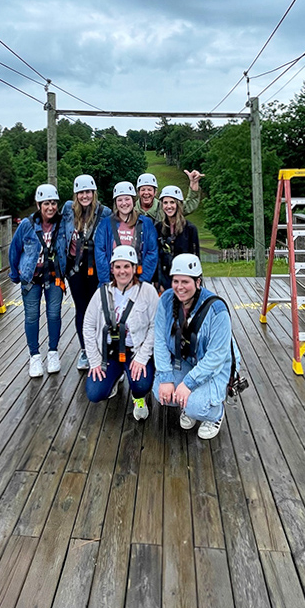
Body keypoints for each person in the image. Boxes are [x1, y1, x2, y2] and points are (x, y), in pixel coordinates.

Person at [152, 253, 240, 439]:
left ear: (198, 282)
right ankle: (189, 403)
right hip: (187, 359)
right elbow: (159, 340)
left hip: (215, 366)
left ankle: (215, 414)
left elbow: (216, 358)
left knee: (194, 405)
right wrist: (167, 378)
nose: (179, 287)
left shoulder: (217, 311)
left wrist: (188, 383)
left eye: (186, 281)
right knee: (161, 390)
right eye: (176, 281)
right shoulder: (167, 300)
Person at [83, 245, 159, 420]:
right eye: (118, 267)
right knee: (95, 392)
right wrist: (94, 361)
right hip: (109, 353)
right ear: (112, 269)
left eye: (127, 266)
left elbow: (155, 326)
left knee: (141, 384)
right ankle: (114, 379)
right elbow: (88, 325)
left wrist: (142, 357)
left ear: (134, 268)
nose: (122, 271)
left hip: (135, 353)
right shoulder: (101, 292)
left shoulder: (147, 292)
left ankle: (138, 398)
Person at [9, 183, 68, 378]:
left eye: (53, 203)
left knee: (54, 314)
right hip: (32, 278)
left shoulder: (62, 223)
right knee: (32, 316)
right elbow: (15, 249)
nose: (50, 207)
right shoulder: (27, 225)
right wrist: (15, 274)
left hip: (54, 277)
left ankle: (53, 351)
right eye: (46, 204)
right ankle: (34, 355)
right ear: (38, 204)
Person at [62, 174, 111, 371]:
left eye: (88, 192)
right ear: (76, 194)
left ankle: (101, 349)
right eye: (81, 192)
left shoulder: (104, 213)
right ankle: (85, 349)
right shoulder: (68, 210)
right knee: (81, 309)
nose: (85, 196)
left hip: (97, 269)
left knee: (100, 310)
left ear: (93, 193)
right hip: (75, 269)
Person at [94, 181, 158, 285]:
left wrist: (143, 281)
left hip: (138, 280)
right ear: (116, 202)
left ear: (133, 200)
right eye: (120, 200)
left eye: (127, 199)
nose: (124, 203)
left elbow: (152, 252)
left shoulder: (146, 224)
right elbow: (100, 253)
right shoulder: (105, 224)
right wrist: (106, 282)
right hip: (112, 280)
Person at [154, 185, 200, 293]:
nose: (168, 206)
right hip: (164, 281)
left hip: (184, 281)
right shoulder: (158, 228)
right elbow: (157, 258)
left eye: (172, 202)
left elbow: (195, 258)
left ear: (178, 204)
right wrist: (158, 282)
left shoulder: (190, 229)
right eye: (165, 203)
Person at [136, 169, 204, 222]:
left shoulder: (165, 207)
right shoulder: (132, 210)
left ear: (155, 192)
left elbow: (190, 205)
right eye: (143, 189)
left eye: (149, 189)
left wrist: (194, 182)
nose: (146, 193)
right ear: (138, 192)